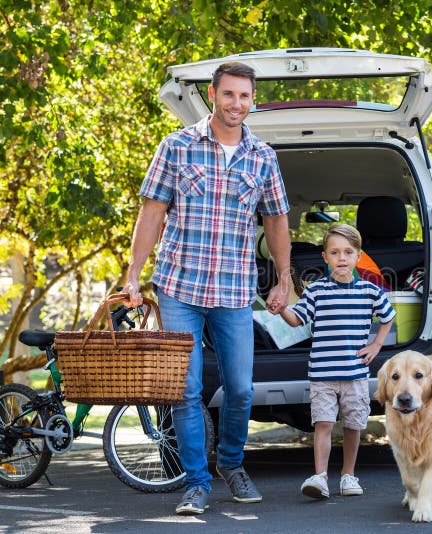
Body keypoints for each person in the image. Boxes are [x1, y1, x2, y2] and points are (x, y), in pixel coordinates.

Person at [123, 62, 293, 515]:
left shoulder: (263, 156)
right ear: (212, 94)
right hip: (179, 285)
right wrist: (133, 273)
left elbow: (277, 220)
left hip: (235, 290)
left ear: (252, 99)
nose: (237, 103)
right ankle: (196, 482)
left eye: (245, 96)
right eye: (229, 94)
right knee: (185, 390)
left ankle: (232, 465)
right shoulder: (176, 147)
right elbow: (152, 214)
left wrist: (284, 277)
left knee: (240, 388)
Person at [279, 223, 395, 500]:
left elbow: (388, 317)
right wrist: (282, 307)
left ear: (358, 256)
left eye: (347, 252)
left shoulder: (370, 291)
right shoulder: (316, 291)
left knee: (354, 426)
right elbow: (297, 320)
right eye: (335, 252)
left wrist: (376, 345)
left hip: (355, 373)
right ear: (325, 257)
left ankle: (348, 475)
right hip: (322, 374)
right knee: (324, 424)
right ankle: (320, 477)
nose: (341, 258)